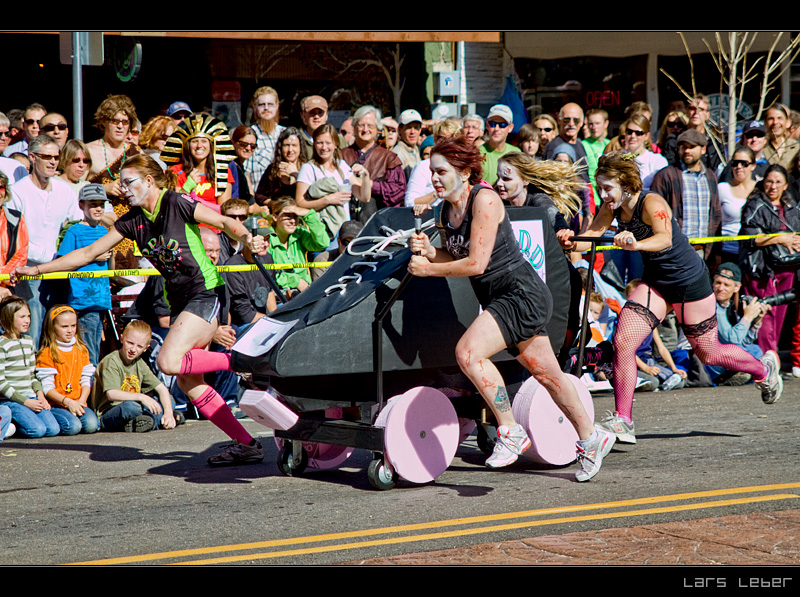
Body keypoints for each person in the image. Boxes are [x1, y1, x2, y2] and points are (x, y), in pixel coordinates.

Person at [11, 153, 267, 464]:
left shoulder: (175, 202)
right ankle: (246, 442)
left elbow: (224, 221)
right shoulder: (132, 221)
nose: (124, 188)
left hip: (206, 292)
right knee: (188, 381)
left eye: (129, 182)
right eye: (121, 183)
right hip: (181, 302)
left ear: (148, 181)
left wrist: (247, 239)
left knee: (169, 361)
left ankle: (242, 360)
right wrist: (37, 271)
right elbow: (90, 252)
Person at [408, 135, 614, 481]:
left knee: (468, 354)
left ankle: (510, 430)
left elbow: (475, 263)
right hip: (504, 299)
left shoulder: (484, 200)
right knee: (549, 376)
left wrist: (429, 269)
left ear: (464, 171)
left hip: (520, 295)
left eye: (441, 171)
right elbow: (454, 256)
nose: (434, 178)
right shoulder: (447, 211)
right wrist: (431, 252)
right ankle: (592, 437)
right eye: (431, 171)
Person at [559, 151, 782, 446]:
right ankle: (623, 420)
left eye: (608, 187)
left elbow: (664, 238)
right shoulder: (612, 206)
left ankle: (763, 369)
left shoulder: (651, 202)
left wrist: (635, 243)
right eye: (600, 188)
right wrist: (571, 238)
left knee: (709, 353)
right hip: (657, 283)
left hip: (689, 281)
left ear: (625, 183)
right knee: (625, 340)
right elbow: (594, 231)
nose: (604, 194)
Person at [8, 134, 84, 347]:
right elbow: (14, 238)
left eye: (56, 157)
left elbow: (75, 227)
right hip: (28, 271)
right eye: (47, 156)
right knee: (32, 330)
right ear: (32, 157)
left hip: (60, 270)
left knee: (60, 332)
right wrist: (42, 262)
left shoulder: (65, 191)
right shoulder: (17, 192)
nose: (53, 161)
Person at [738, 163, 800, 357]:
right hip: (763, 269)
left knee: (779, 317)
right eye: (769, 181)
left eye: (778, 182)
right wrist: (779, 238)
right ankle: (768, 361)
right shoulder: (755, 205)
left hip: (788, 268)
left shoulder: (791, 207)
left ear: (785, 185)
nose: (773, 186)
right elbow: (752, 238)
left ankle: (771, 357)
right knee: (764, 315)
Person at [56, 184, 113, 366]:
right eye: (93, 204)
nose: (98, 209)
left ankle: (91, 389)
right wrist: (94, 257)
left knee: (95, 348)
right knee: (88, 352)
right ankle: (89, 390)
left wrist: (111, 255)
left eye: (101, 204)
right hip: (82, 301)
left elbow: (110, 267)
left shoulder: (104, 231)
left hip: (101, 299)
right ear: (81, 205)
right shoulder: (74, 231)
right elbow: (64, 264)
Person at [92, 319, 179, 432]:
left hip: (136, 405)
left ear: (145, 348)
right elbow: (111, 394)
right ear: (122, 339)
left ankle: (150, 421)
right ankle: (157, 421)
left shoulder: (139, 363)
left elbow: (161, 388)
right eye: (130, 343)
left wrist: (168, 413)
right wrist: (141, 397)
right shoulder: (112, 361)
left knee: (169, 400)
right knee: (132, 407)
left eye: (139, 346)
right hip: (111, 412)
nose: (133, 349)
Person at [85, 95, 140, 270]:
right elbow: (72, 187)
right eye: (115, 120)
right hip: (98, 226)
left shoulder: (137, 154)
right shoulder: (88, 151)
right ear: (104, 122)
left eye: (125, 121)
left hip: (131, 227)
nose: (120, 126)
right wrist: (102, 188)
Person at [650, 129, 721, 264]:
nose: (687, 151)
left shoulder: (710, 176)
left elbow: (716, 214)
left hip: (702, 250)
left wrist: (716, 251)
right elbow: (654, 214)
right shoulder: (666, 175)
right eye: (683, 147)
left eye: (692, 147)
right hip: (674, 249)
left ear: (703, 149)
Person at [0, 296, 59, 438]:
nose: (27, 320)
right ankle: (10, 426)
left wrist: (40, 395)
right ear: (8, 317)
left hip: (32, 396)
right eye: (22, 317)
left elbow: (32, 375)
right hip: (13, 399)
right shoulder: (2, 345)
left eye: (29, 316)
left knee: (53, 429)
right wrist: (25, 402)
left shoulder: (28, 341)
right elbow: (1, 382)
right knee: (37, 430)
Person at [35, 304, 99, 435]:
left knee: (92, 425)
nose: (70, 330)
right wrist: (67, 402)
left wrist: (81, 401)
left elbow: (86, 380)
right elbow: (47, 388)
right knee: (73, 427)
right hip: (57, 404)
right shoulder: (47, 353)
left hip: (77, 401)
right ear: (52, 328)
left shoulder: (81, 350)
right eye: (64, 327)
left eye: (73, 326)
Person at [297, 124, 372, 235]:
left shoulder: (342, 165)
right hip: (321, 231)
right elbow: (300, 202)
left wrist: (365, 176)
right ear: (314, 144)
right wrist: (327, 200)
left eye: (328, 143)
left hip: (344, 230)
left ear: (336, 144)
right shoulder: (308, 168)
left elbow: (364, 197)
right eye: (319, 143)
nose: (324, 147)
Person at [707, 263, 769, 385]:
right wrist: (747, 317)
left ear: (736, 287)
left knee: (755, 349)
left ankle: (733, 375)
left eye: (726, 285)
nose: (720, 288)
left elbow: (743, 341)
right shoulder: (711, 305)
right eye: (718, 283)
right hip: (706, 361)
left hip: (724, 356)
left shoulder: (731, 306)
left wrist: (756, 322)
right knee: (751, 352)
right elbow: (733, 340)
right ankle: (731, 375)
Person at [341, 105, 406, 218]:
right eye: (361, 125)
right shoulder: (341, 155)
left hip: (377, 222)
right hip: (345, 220)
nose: (365, 130)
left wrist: (370, 184)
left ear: (377, 128)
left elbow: (398, 192)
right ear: (354, 127)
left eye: (370, 126)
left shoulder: (389, 158)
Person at [161, 113, 235, 208]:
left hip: (213, 221)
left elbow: (223, 210)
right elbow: (175, 206)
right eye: (195, 141)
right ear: (188, 146)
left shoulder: (223, 172)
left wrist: (197, 201)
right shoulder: (175, 171)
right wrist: (188, 186)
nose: (199, 146)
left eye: (204, 141)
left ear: (211, 146)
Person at [265, 196, 329, 297]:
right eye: (287, 216)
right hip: (278, 294)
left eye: (295, 216)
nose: (292, 221)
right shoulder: (267, 239)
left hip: (304, 292)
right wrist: (296, 281)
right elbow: (267, 275)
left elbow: (322, 243)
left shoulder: (299, 234)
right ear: (275, 217)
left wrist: (309, 214)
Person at [222, 217, 278, 324]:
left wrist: (277, 318)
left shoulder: (268, 258)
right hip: (245, 323)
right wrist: (272, 321)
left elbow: (269, 292)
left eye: (267, 239)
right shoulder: (232, 266)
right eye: (261, 239)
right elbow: (244, 314)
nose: (265, 244)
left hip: (266, 317)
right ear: (247, 240)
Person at [404, 119, 461, 208]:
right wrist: (438, 192)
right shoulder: (423, 167)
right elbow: (410, 203)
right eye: (442, 138)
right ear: (435, 140)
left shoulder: (462, 165)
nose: (447, 143)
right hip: (432, 218)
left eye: (452, 138)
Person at [717, 146, 758, 264]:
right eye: (735, 163)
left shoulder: (760, 189)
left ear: (753, 166)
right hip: (727, 251)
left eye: (744, 163)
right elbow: (714, 222)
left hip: (753, 252)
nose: (739, 167)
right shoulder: (722, 188)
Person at [255, 126, 309, 212]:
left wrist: (295, 174)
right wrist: (274, 204)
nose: (290, 150)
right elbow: (259, 195)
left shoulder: (307, 168)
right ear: (280, 147)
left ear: (300, 147)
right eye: (286, 145)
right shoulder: (273, 168)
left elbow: (311, 194)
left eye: (294, 145)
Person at [246, 87, 285, 190]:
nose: (266, 108)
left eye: (270, 104)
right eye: (262, 105)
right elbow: (246, 173)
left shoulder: (285, 134)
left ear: (277, 107)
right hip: (258, 198)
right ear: (254, 107)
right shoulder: (249, 134)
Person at [0, 171, 29, 300]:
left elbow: (21, 254)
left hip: (10, 287)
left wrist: (3, 282)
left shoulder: (15, 217)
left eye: (1, 187)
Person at [623, 112, 668, 193]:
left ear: (647, 136)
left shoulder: (657, 160)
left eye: (638, 133)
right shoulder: (615, 158)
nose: (633, 136)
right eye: (629, 131)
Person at [479, 104, 521, 187]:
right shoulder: (477, 153)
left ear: (510, 128)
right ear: (487, 125)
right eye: (493, 124)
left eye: (502, 125)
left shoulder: (516, 153)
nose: (496, 129)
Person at [763, 103, 800, 171]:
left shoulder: (796, 147)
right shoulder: (761, 148)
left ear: (788, 123)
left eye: (779, 118)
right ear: (765, 123)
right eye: (771, 119)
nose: (775, 122)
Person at [228, 125, 257, 205]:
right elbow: (248, 203)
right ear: (233, 142)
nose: (248, 148)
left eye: (253, 146)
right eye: (244, 144)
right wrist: (262, 210)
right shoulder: (232, 165)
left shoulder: (240, 166)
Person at [392, 109, 423, 179]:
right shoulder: (397, 154)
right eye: (408, 128)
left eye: (416, 128)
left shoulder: (415, 149)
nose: (412, 132)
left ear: (420, 130)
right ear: (400, 130)